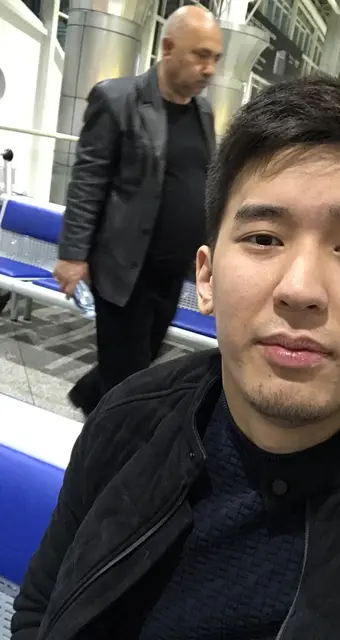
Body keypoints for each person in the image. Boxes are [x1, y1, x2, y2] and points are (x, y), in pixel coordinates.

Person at [12, 76, 340, 640]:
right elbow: (41, 609)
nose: (300, 289)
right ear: (207, 277)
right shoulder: (127, 423)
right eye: (264, 238)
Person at [53, 6, 223, 417]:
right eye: (201, 55)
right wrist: (73, 255)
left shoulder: (202, 113)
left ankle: (89, 398)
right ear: (167, 47)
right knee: (129, 382)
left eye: (215, 58)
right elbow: (88, 181)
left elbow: (203, 181)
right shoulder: (117, 100)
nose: (210, 69)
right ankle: (109, 444)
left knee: (136, 361)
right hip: (124, 270)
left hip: (172, 272)